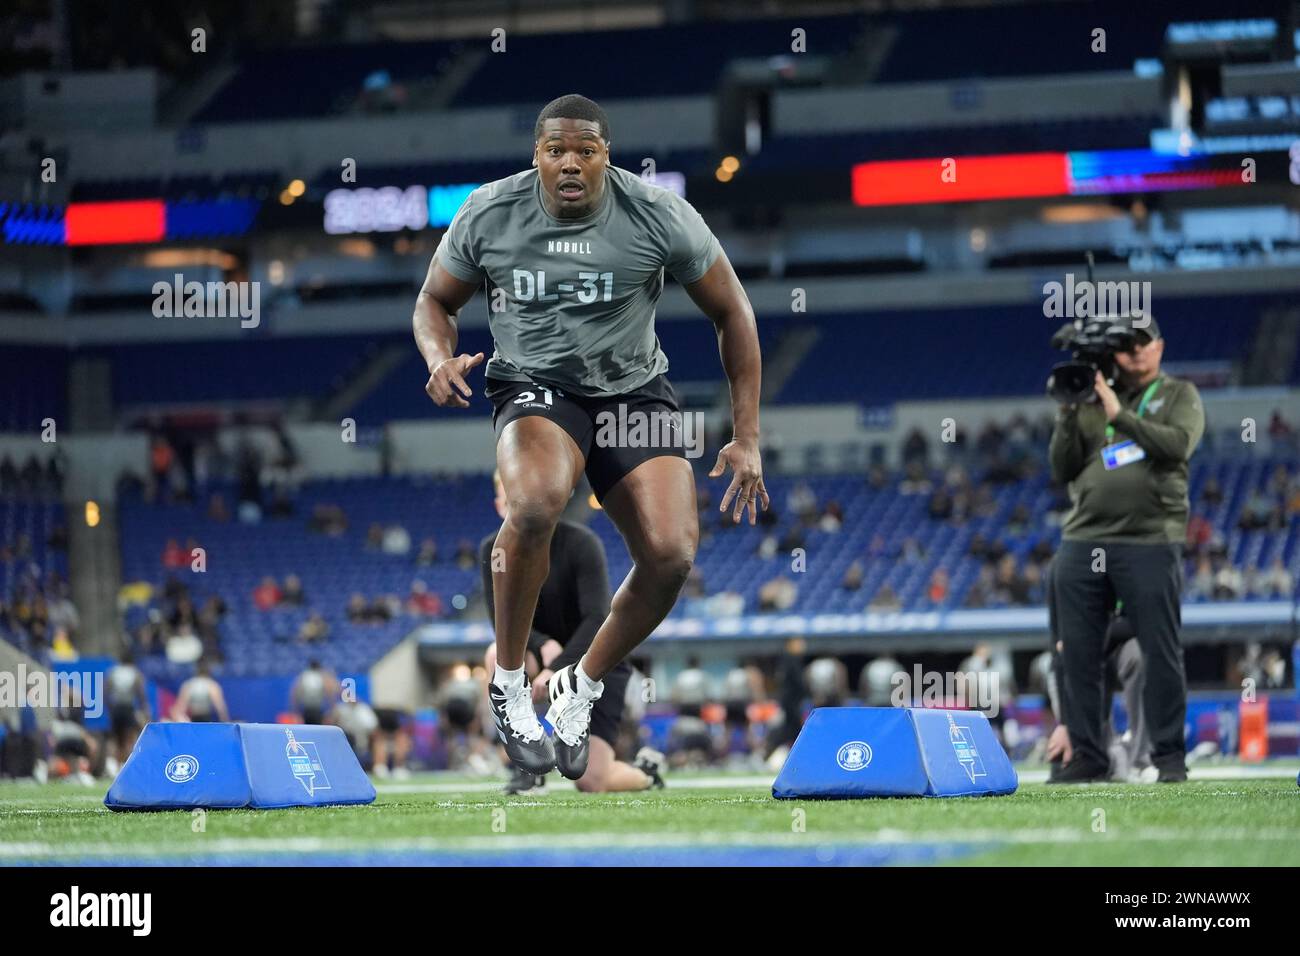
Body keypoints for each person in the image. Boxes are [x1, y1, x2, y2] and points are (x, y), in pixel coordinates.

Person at [414, 94, 765, 780]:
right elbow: (434, 301)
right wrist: (437, 358)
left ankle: (580, 684)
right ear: (536, 157)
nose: (569, 163)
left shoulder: (658, 213)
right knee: (538, 502)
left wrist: (746, 434)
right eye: (555, 151)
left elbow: (733, 310)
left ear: (607, 156)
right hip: (534, 385)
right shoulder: (490, 210)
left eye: (585, 151)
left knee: (670, 554)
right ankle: (512, 687)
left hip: (634, 389)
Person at [1048, 316, 1204, 783]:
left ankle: (1169, 758)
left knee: (1159, 649)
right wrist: (1072, 410)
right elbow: (1063, 467)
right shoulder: (1092, 401)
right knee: (1075, 652)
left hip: (1149, 539)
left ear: (1160, 347)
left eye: (1144, 343)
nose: (1136, 351)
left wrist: (1121, 416)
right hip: (1083, 538)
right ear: (1113, 353)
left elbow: (1177, 446)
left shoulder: (1179, 395)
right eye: (1126, 345)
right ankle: (1088, 757)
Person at [480, 471, 663, 792]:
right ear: (499, 505)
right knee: (497, 654)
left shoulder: (581, 543)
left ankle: (647, 774)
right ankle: (525, 766)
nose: (520, 508)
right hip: (541, 655)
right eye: (510, 500)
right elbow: (501, 621)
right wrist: (544, 644)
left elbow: (597, 618)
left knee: (592, 781)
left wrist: (556, 666)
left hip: (596, 661)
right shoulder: (492, 550)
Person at [105, 651, 149, 774]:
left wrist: (109, 709)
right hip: (128, 708)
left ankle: (117, 768)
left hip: (116, 708)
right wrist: (145, 710)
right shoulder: (135, 673)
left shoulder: (113, 672)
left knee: (117, 740)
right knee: (129, 738)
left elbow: (105, 691)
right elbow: (141, 694)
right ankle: (127, 769)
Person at [291, 660, 339, 725]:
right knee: (317, 729)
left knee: (307, 728)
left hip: (307, 709)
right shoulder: (322, 676)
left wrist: (296, 710)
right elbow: (329, 691)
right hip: (316, 709)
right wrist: (332, 708)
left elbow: (295, 693)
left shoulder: (304, 676)